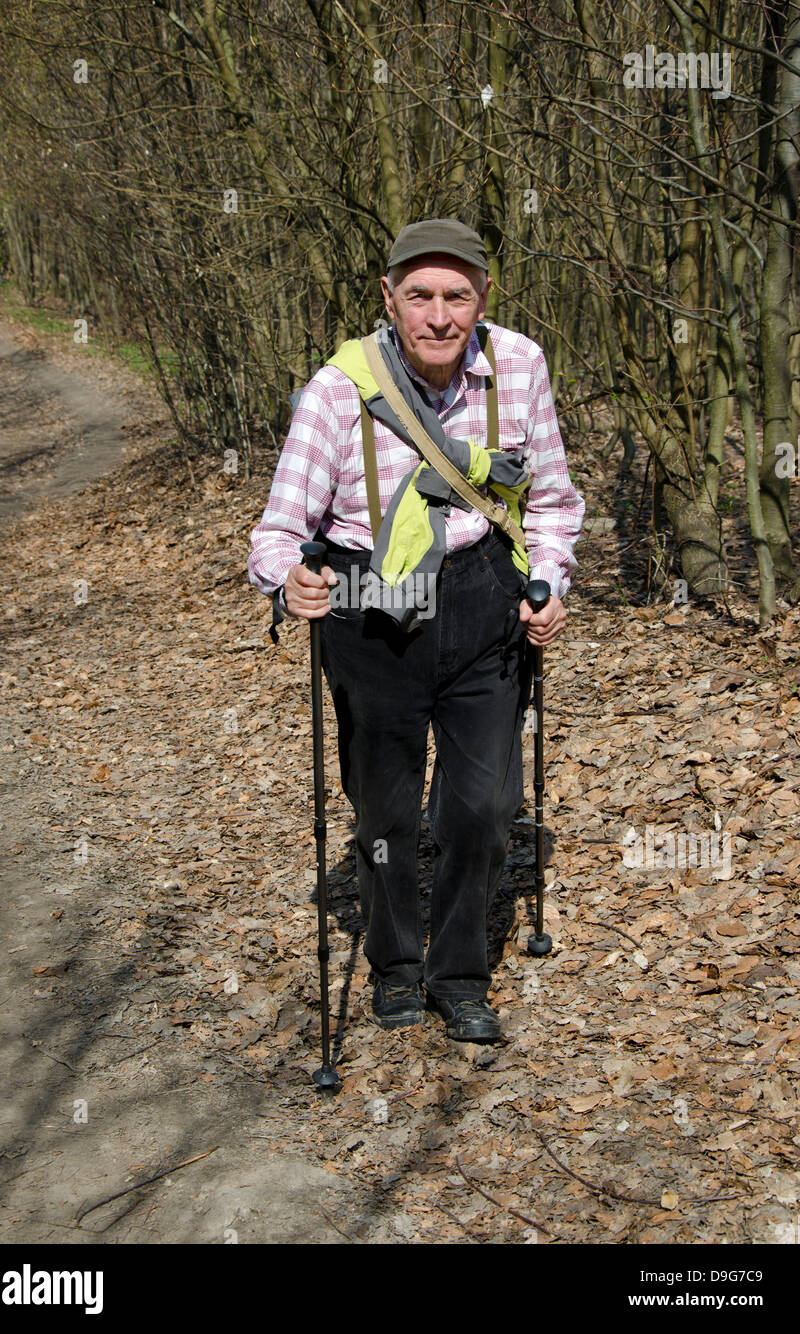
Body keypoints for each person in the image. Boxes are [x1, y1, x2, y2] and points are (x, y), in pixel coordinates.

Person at [248, 219, 585, 1043]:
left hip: (481, 599)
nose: (438, 316)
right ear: (390, 297)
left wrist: (548, 577)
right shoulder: (337, 389)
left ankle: (459, 974)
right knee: (386, 813)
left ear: (483, 300)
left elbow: (550, 503)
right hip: (370, 607)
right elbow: (276, 533)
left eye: (456, 297)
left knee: (482, 805)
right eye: (421, 296)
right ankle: (394, 964)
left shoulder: (520, 366)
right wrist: (289, 579)